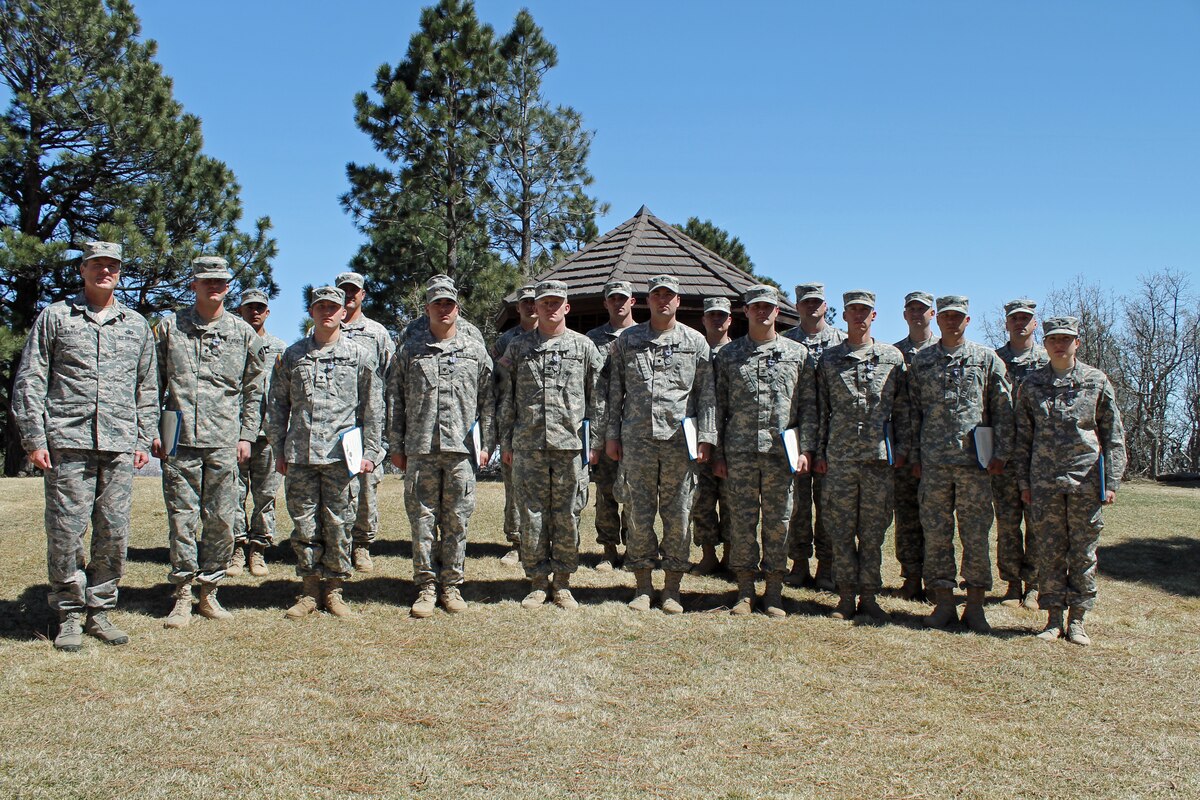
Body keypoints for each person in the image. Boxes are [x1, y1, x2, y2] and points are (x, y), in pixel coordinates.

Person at [12, 241, 158, 651]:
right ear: (83, 269)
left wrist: (143, 436)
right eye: (97, 264)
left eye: (112, 265)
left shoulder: (135, 325)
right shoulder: (56, 316)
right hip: (67, 441)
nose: (104, 271)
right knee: (66, 531)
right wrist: (34, 438)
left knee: (113, 531)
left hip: (118, 443)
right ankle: (69, 614)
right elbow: (31, 378)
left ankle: (100, 609)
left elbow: (148, 386)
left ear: (119, 272)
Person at [154, 256, 265, 628]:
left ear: (228, 287)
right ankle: (182, 595)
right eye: (206, 281)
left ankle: (210, 592)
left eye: (220, 281)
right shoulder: (169, 327)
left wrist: (247, 435)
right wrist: (153, 430)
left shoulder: (242, 332)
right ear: (194, 285)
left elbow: (254, 390)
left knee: (220, 519)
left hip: (223, 440)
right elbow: (151, 382)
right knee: (181, 519)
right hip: (179, 438)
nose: (214, 286)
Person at [268, 286, 383, 619]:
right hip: (301, 455)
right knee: (304, 526)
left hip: (341, 458)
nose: (327, 312)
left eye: (333, 307)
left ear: (343, 313)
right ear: (311, 312)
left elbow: (373, 407)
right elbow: (277, 405)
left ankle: (334, 590)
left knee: (339, 524)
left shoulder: (360, 355)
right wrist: (278, 449)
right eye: (321, 307)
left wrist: (371, 452)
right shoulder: (292, 356)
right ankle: (308, 590)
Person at [606, 274, 716, 614]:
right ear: (647, 300)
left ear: (678, 301)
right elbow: (614, 391)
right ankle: (642, 586)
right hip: (636, 441)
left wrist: (707, 437)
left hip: (679, 444)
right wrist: (611, 434)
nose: (663, 300)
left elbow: (706, 395)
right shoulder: (628, 340)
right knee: (638, 515)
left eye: (669, 295)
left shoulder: (695, 342)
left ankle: (671, 588)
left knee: (679, 516)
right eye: (657, 295)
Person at [1014, 316, 1126, 646]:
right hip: (1044, 482)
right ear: (1045, 344)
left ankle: (1077, 620)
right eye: (1053, 339)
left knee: (1083, 553)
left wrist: (1111, 482)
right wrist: (1024, 483)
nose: (1059, 344)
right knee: (1049, 551)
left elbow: (1113, 435)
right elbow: (1023, 439)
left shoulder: (1095, 381)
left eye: (1066, 339)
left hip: (1085, 480)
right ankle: (1052, 619)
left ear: (1077, 343)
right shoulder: (1032, 385)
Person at [907, 295, 1013, 633]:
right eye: (947, 316)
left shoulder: (986, 359)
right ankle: (943, 603)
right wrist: (915, 455)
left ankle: (976, 605)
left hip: (974, 466)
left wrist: (1001, 453)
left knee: (975, 535)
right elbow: (912, 412)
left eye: (958, 316)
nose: (952, 321)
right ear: (938, 319)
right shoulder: (922, 361)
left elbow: (1003, 409)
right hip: (935, 465)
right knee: (936, 535)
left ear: (968, 320)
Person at [389, 283, 493, 618]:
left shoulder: (475, 351)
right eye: (437, 304)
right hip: (421, 449)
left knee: (457, 520)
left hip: (461, 451)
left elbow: (488, 402)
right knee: (422, 521)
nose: (443, 309)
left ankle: (451, 585)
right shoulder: (409, 351)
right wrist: (396, 445)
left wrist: (486, 444)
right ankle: (425, 586)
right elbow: (395, 400)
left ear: (457, 308)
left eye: (449, 303)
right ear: (427, 309)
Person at [498, 280, 603, 610]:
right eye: (544, 302)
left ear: (566, 307)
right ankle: (537, 581)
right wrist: (506, 442)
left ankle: (563, 582)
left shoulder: (584, 347)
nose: (550, 307)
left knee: (568, 514)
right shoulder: (517, 348)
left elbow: (598, 398)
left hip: (570, 446)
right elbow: (506, 398)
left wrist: (595, 442)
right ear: (536, 306)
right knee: (532, 515)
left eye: (556, 302)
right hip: (528, 445)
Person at [712, 286, 813, 617]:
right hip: (739, 454)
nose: (762, 312)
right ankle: (744, 590)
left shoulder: (797, 354)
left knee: (778, 523)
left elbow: (808, 407)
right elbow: (718, 407)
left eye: (768, 307)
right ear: (746, 311)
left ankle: (773, 591)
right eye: (756, 306)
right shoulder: (729, 355)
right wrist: (719, 453)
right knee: (742, 523)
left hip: (780, 456)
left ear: (777, 311)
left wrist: (806, 449)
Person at [815, 291, 908, 621]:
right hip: (839, 459)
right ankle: (844, 597)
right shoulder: (829, 360)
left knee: (872, 533)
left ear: (874, 315)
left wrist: (903, 450)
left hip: (877, 461)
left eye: (865, 311)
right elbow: (820, 410)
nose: (859, 316)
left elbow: (903, 411)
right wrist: (819, 451)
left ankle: (868, 597)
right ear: (844, 315)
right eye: (853, 310)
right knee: (840, 531)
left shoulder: (891, 358)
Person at [783, 282, 845, 589]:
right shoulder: (786, 342)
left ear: (825, 305)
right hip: (795, 434)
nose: (812, 307)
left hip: (833, 435)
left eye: (817, 302)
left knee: (828, 504)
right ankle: (798, 562)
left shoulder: (842, 342)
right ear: (797, 306)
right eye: (806, 302)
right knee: (797, 504)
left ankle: (827, 565)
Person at [335, 271, 395, 573]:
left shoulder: (376, 333)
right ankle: (337, 543)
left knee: (367, 487)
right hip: (334, 423)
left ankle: (361, 545)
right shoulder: (322, 327)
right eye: (343, 290)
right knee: (335, 487)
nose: (348, 295)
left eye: (353, 290)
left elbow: (391, 378)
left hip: (368, 424)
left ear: (363, 294)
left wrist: (389, 427)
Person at [993, 298, 1049, 608]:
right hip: (1004, 455)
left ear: (1035, 323)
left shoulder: (1047, 360)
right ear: (1007, 323)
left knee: (1037, 523)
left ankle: (1034, 585)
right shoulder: (994, 359)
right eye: (1015, 318)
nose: (1020, 323)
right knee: (1007, 523)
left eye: (1026, 319)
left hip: (1038, 456)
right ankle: (1012, 583)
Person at [228, 289, 287, 577]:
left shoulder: (280, 348)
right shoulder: (231, 342)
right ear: (240, 310)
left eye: (260, 308)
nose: (255, 312)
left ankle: (259, 549)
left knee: (265, 495)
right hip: (234, 431)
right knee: (233, 493)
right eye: (249, 307)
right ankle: (237, 548)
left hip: (269, 433)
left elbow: (287, 391)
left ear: (267, 312)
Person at [584, 280, 638, 572]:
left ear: (632, 301)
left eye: (623, 298)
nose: (618, 303)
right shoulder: (592, 339)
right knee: (605, 491)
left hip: (634, 426)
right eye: (613, 298)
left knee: (632, 490)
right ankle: (608, 549)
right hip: (602, 425)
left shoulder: (641, 336)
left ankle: (633, 548)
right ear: (605, 303)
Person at [891, 291, 937, 600]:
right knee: (906, 516)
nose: (917, 314)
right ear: (905, 315)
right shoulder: (893, 353)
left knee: (935, 518)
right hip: (902, 450)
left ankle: (936, 577)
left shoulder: (944, 351)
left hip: (936, 450)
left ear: (932, 314)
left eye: (923, 309)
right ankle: (910, 575)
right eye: (912, 309)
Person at [491, 284, 537, 565]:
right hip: (515, 424)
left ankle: (544, 542)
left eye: (534, 301)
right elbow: (497, 386)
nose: (531, 306)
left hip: (546, 427)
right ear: (518, 307)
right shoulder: (505, 342)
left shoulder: (555, 337)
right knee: (514, 487)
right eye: (525, 302)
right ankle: (517, 542)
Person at [691, 296, 734, 576]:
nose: (717, 319)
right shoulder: (695, 350)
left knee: (731, 500)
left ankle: (730, 555)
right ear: (704, 319)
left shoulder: (738, 352)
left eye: (722, 315)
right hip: (699, 436)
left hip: (733, 437)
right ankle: (708, 555)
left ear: (730, 320)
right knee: (702, 499)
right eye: (712, 315)